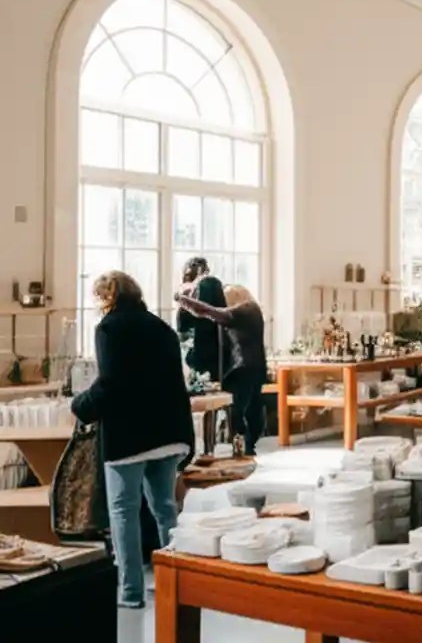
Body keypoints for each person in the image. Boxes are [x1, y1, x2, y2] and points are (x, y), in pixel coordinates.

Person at [71, 271, 194, 609]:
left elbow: (111, 383)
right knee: (166, 509)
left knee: (123, 512)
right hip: (168, 433)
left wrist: (81, 405)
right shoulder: (162, 329)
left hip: (129, 437)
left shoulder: (109, 329)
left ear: (107, 298)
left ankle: (131, 592)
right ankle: (177, 585)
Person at [176, 284, 268, 455]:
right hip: (253, 366)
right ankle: (246, 446)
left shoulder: (246, 310)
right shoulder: (252, 311)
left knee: (238, 409)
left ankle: (243, 446)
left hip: (242, 368)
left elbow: (214, 312)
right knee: (250, 408)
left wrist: (184, 300)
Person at [176, 256, 229, 382]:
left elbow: (184, 329)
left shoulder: (208, 284)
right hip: (209, 356)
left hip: (203, 355)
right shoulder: (207, 287)